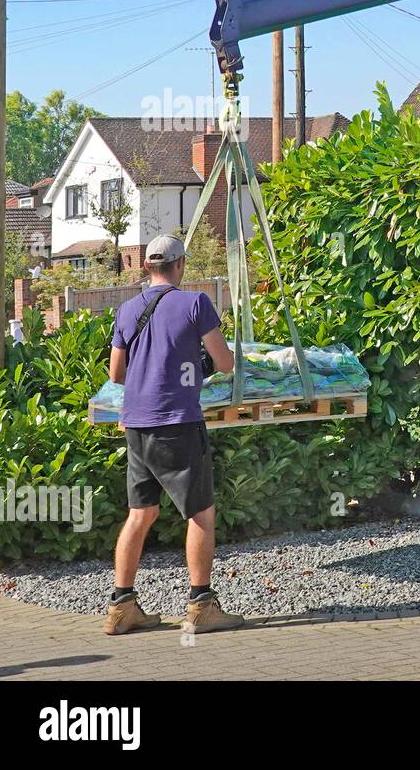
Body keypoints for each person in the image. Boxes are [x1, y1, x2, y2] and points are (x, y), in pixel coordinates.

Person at [103, 235, 242, 636]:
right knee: (200, 513)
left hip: (137, 424)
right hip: (178, 423)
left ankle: (121, 606)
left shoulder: (127, 310)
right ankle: (201, 605)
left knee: (140, 513)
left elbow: (116, 375)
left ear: (147, 266)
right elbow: (225, 362)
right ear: (180, 265)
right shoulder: (196, 303)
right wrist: (196, 365)